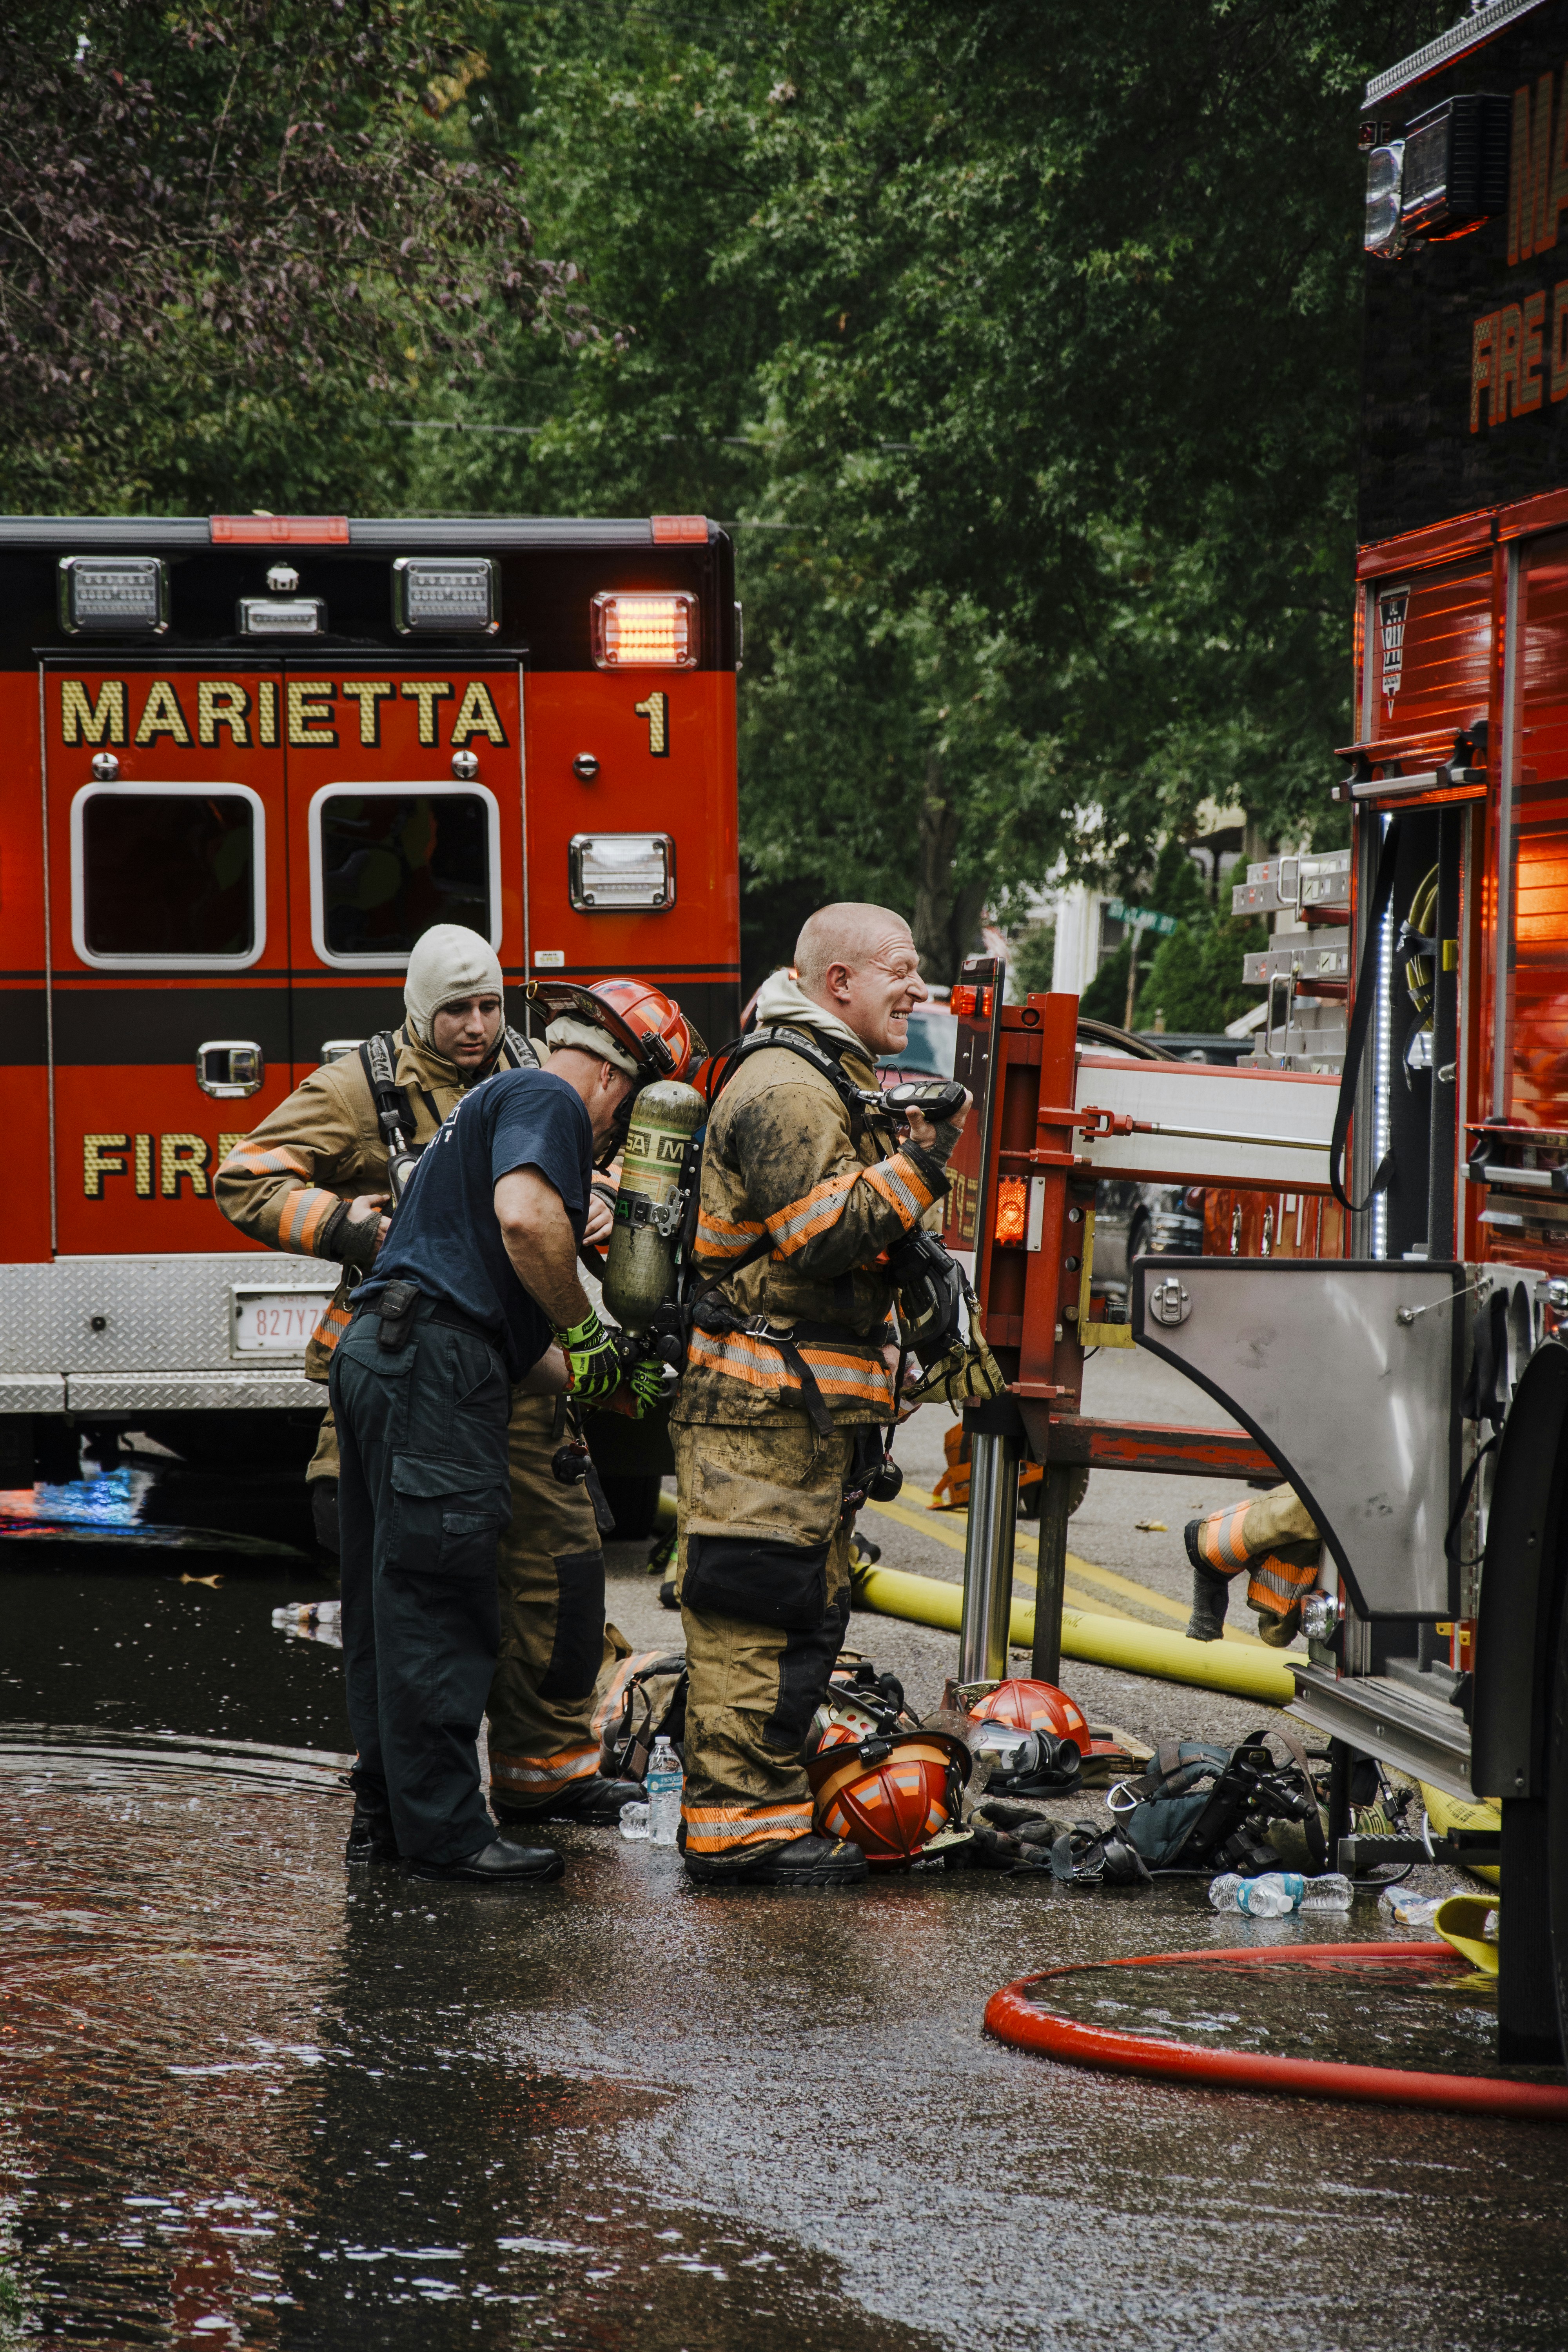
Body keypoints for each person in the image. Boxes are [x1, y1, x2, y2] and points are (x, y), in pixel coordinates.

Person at [214, 929, 659, 1851]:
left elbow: (568, 1189)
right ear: (420, 1008)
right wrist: (362, 1231)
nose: (477, 1025)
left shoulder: (537, 1076)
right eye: (456, 1009)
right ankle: (423, 1819)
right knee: (426, 1608)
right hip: (422, 1371)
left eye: (491, 1005)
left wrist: (602, 1203)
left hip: (521, 1387)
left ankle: (547, 1779)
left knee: (561, 1582)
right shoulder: (358, 1088)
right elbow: (242, 1177)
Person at [328, 983, 686, 1882]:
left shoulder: (482, 1110)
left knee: (393, 1603)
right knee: (442, 1605)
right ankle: (447, 1838)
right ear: (615, 1079)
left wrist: (601, 1384)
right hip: (431, 1368)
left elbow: (500, 1327)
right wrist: (590, 1331)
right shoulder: (549, 1097)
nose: (618, 1141)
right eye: (636, 1116)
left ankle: (388, 1823)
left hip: (398, 1350)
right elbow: (527, 1221)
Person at [672, 902, 970, 1887]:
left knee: (796, 1618)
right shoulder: (786, 1087)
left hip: (794, 1428)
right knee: (754, 1624)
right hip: (756, 1426)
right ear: (836, 982)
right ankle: (735, 1834)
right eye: (901, 969)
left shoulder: (824, 1076)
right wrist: (921, 1165)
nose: (918, 990)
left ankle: (760, 1815)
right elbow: (818, 1234)